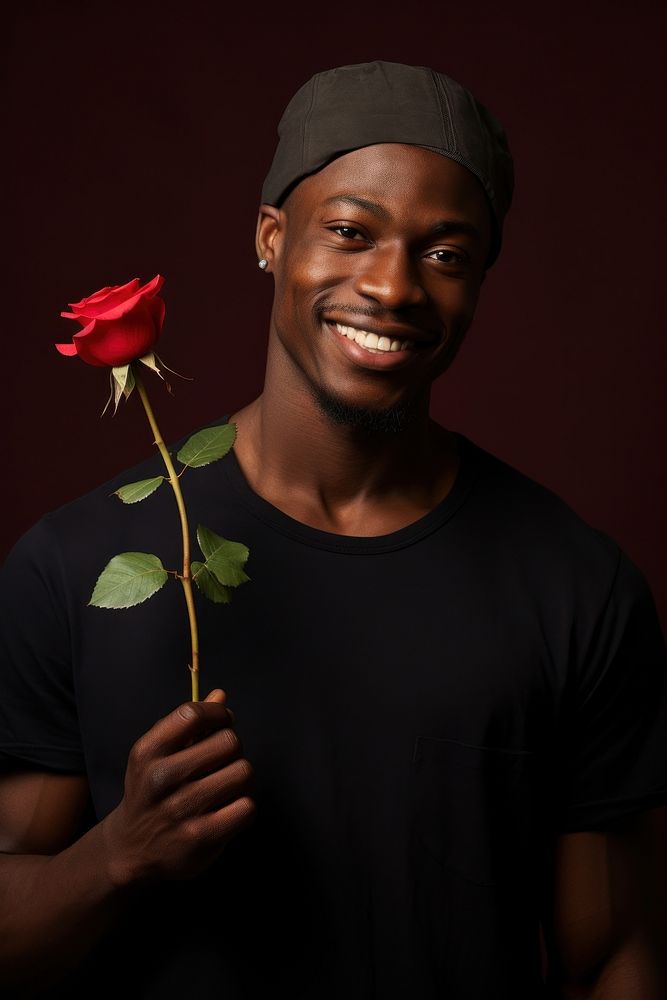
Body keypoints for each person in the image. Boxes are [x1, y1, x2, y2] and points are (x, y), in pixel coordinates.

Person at [1, 59, 665, 999]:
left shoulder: (573, 588)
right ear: (272, 238)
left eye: (444, 253)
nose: (392, 287)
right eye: (351, 232)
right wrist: (113, 856)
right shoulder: (74, 565)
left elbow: (616, 953)